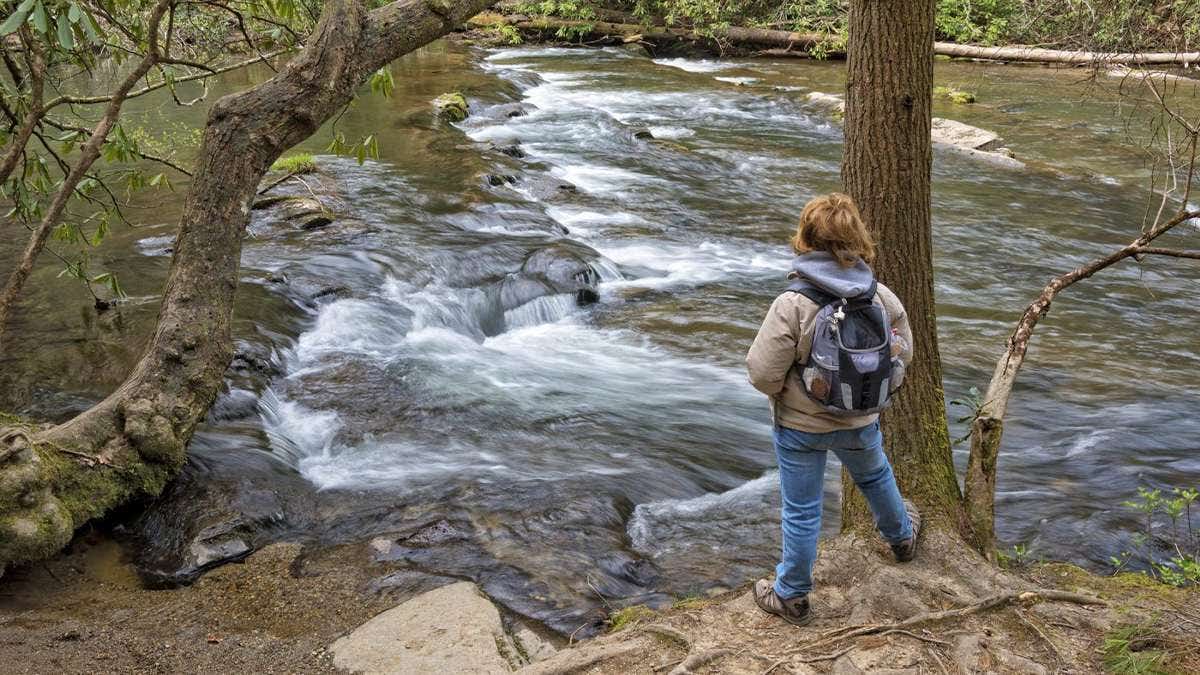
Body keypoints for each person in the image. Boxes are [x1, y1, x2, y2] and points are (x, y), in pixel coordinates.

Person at [745, 192, 920, 626]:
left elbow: (763, 371)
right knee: (876, 476)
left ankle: (792, 595)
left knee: (802, 509)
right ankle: (901, 538)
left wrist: (790, 393)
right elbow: (906, 353)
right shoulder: (880, 297)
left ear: (804, 239)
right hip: (862, 417)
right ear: (857, 238)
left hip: (801, 426)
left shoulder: (794, 302)